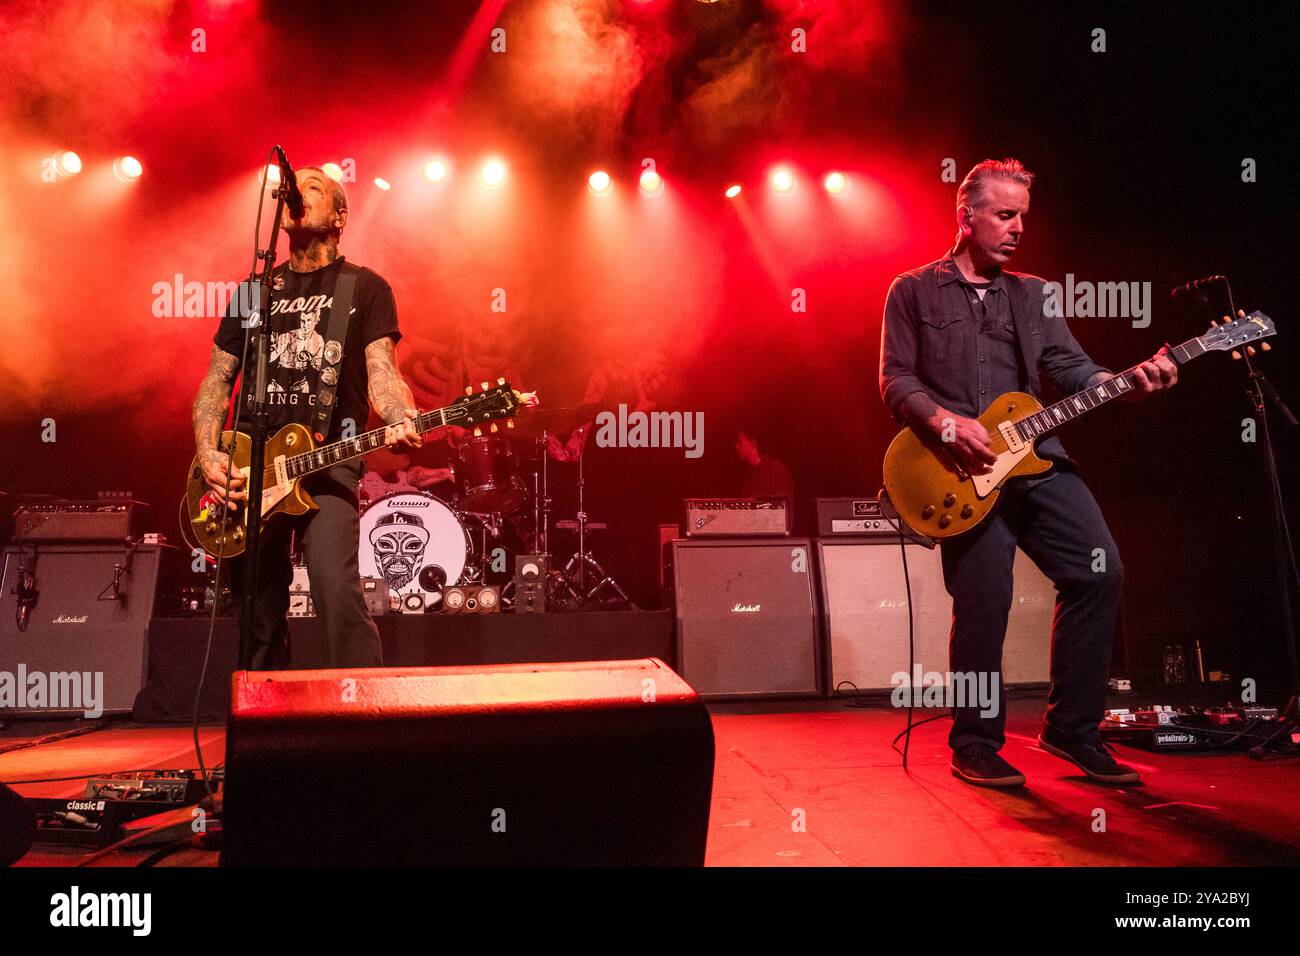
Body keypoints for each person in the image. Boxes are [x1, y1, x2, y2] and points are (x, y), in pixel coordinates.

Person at [879, 158, 1177, 787]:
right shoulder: (912, 290)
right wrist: (945, 423)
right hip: (961, 470)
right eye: (1005, 215)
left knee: (1101, 571)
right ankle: (977, 742)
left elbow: (1072, 369)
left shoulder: (1034, 294)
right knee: (986, 603)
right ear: (966, 218)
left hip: (1039, 463)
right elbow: (896, 378)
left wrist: (1125, 385)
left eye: (1023, 217)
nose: (1018, 229)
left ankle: (1071, 732)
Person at [192, 166, 422, 669]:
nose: (301, 191)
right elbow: (216, 379)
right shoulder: (255, 291)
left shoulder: (364, 288)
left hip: (327, 466)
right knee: (256, 613)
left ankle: (365, 723)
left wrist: (399, 413)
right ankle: (264, 729)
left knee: (337, 592)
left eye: (315, 187)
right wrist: (208, 452)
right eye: (298, 187)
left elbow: (382, 370)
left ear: (341, 216)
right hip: (250, 471)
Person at [734, 426, 795, 517]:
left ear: (752, 443)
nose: (736, 447)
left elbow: (785, 514)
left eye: (740, 441)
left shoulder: (776, 470)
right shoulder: (748, 477)